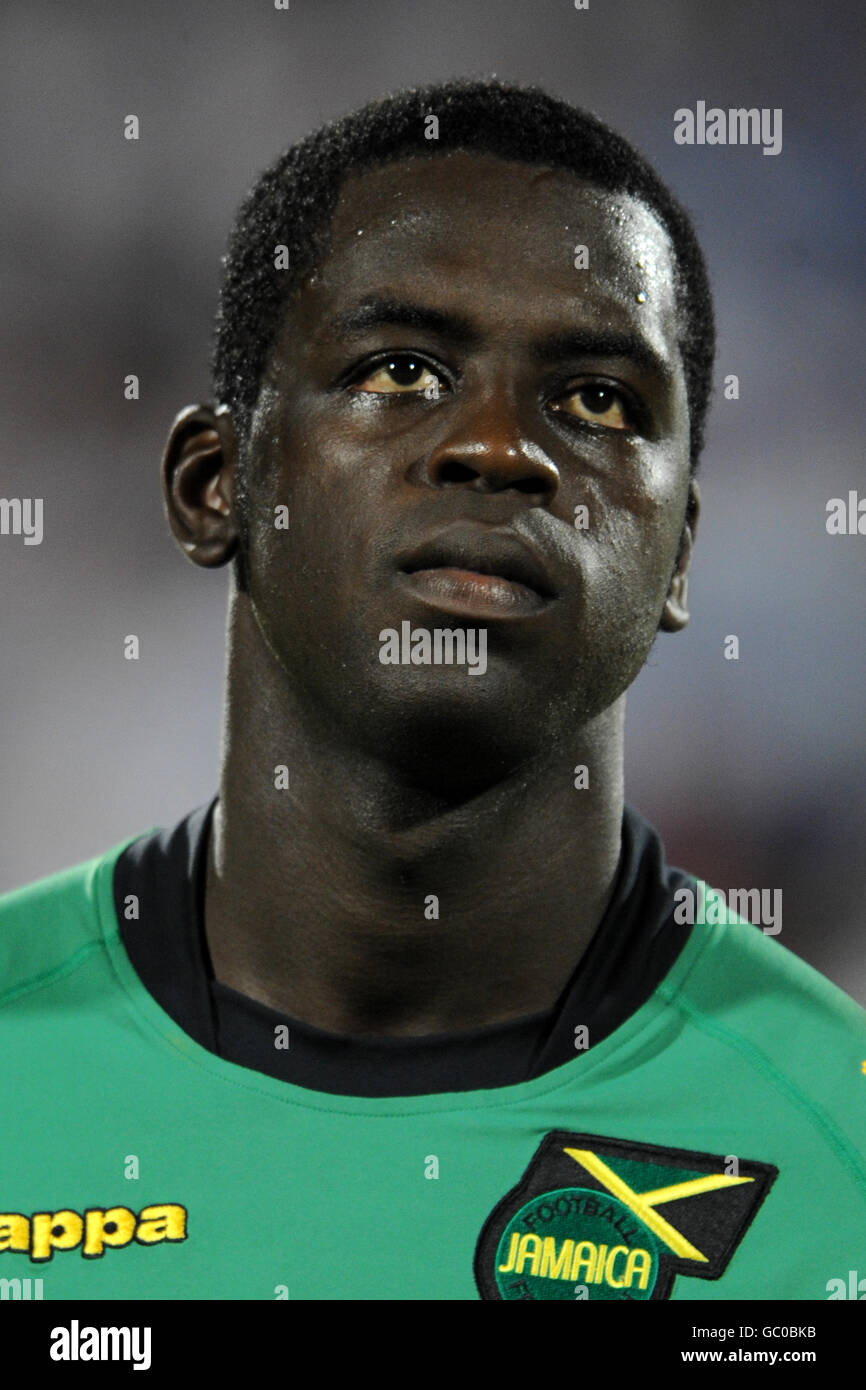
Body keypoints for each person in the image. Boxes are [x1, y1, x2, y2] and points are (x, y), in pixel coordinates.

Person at [1, 79, 864, 1303]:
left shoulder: (837, 1155)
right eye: (401, 369)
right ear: (216, 485)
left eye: (597, 400)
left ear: (677, 554)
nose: (500, 447)